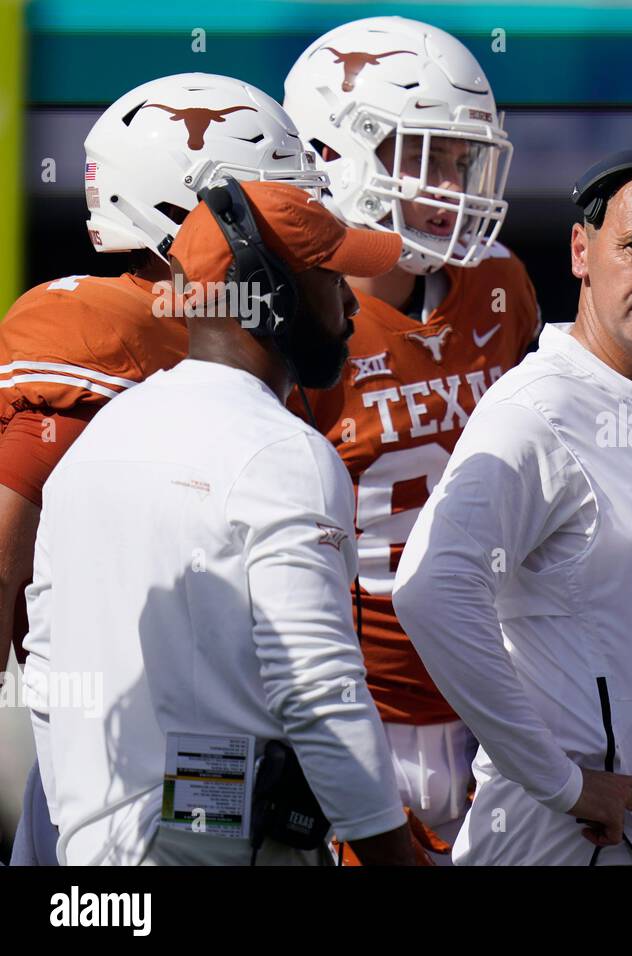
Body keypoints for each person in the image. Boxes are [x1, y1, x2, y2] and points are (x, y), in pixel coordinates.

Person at [22, 180, 424, 866]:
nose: (354, 302)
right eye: (332, 279)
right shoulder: (284, 453)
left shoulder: (100, 439)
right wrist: (394, 858)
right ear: (273, 294)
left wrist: (86, 832)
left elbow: (48, 672)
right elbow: (318, 693)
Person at [392, 148, 632, 865]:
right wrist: (560, 783)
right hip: (580, 845)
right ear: (581, 252)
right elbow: (432, 589)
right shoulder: (541, 409)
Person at [0, 72, 326, 866]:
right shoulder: (86, 324)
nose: (307, 223)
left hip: (238, 738)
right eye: (277, 198)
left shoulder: (261, 332)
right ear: (192, 208)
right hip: (117, 749)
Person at [283, 15, 540, 862]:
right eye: (422, 157)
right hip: (358, 710)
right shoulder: (295, 326)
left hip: (492, 698)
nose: (450, 187)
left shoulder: (498, 284)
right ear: (331, 155)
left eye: (461, 160)